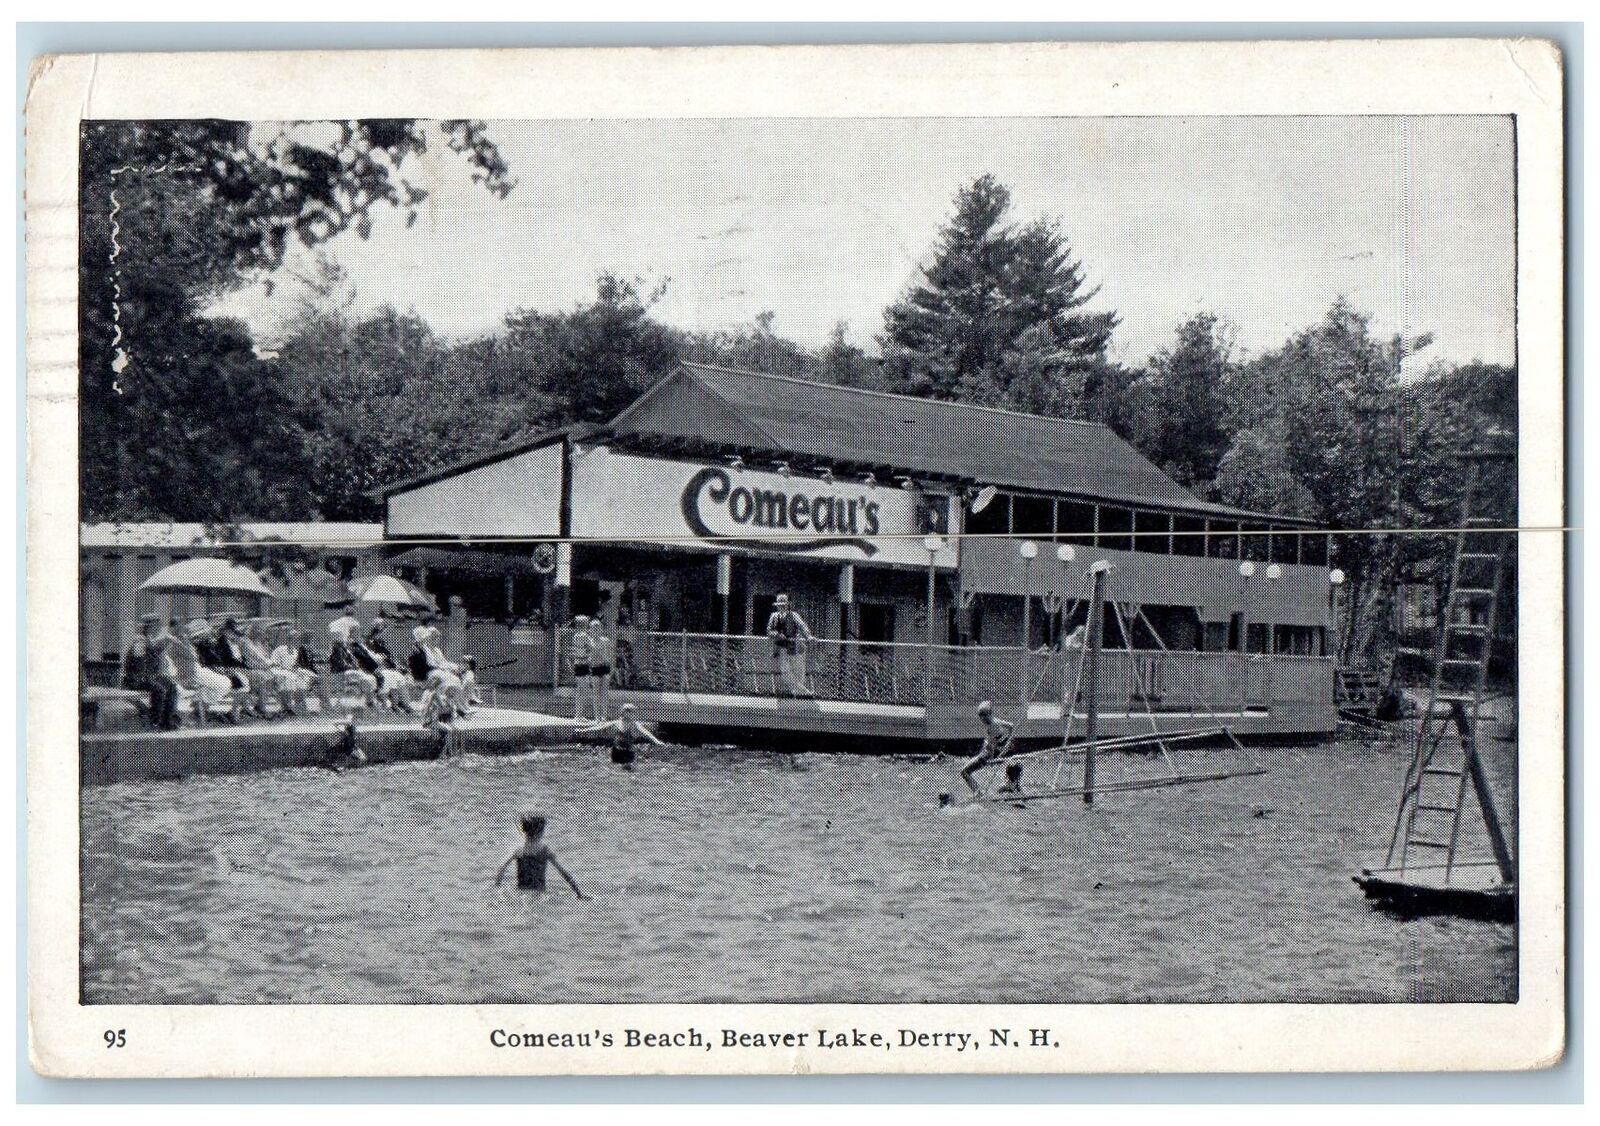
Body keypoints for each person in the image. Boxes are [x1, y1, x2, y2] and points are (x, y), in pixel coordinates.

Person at [494, 813, 585, 897]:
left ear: (524, 831)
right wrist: (578, 893)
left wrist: (496, 891)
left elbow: (501, 870)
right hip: (539, 894)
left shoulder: (519, 851)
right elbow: (563, 873)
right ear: (541, 833)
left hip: (521, 894)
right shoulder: (544, 851)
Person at [172, 620, 239, 724]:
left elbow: (196, 652)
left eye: (181, 628)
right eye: (178, 628)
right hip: (192, 673)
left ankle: (200, 706)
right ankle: (201, 706)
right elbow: (188, 658)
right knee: (225, 683)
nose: (182, 630)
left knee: (225, 683)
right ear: (174, 629)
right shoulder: (175, 642)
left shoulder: (184, 640)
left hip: (197, 670)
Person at [577, 703, 665, 769]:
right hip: (616, 752)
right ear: (624, 713)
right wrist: (583, 730)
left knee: (627, 773)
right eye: (631, 712)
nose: (633, 714)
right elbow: (599, 728)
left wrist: (656, 741)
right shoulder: (615, 723)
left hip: (628, 753)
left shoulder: (635, 724)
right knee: (615, 773)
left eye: (633, 712)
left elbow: (646, 733)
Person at [960, 700, 1016, 796]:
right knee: (966, 769)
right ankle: (978, 792)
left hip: (986, 756)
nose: (982, 718)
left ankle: (978, 794)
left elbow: (991, 747)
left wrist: (991, 759)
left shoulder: (991, 727)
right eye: (981, 715)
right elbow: (1011, 726)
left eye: (984, 715)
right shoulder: (996, 720)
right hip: (989, 753)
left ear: (988, 714)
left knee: (964, 772)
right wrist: (1010, 741)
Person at [766, 594, 815, 697]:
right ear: (777, 606)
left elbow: (802, 626)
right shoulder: (774, 616)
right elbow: (769, 631)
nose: (782, 607)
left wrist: (808, 636)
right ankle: (804, 693)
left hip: (795, 647)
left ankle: (798, 696)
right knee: (785, 672)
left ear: (787, 605)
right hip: (782, 647)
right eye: (780, 605)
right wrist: (778, 635)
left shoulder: (793, 615)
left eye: (784, 605)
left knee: (798, 672)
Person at [328, 620, 379, 710]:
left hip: (351, 670)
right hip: (343, 671)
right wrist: (352, 666)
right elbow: (340, 662)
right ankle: (369, 702)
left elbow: (366, 641)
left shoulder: (350, 645)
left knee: (370, 679)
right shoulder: (339, 647)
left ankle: (369, 702)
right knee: (368, 679)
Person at [585, 617, 613, 721]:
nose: (596, 630)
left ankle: (604, 716)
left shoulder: (605, 641)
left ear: (601, 629)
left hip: (604, 667)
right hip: (594, 668)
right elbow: (587, 656)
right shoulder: (589, 641)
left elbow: (610, 654)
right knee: (596, 693)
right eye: (593, 628)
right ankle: (597, 717)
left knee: (604, 693)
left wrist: (610, 666)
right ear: (590, 630)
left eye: (598, 628)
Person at [569, 615, 594, 720]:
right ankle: (579, 715)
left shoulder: (576, 636)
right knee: (583, 690)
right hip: (583, 663)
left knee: (580, 690)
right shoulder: (585, 636)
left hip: (578, 663)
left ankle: (578, 714)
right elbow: (592, 647)